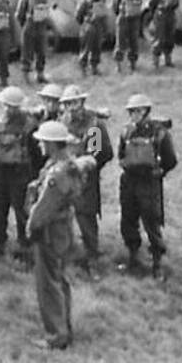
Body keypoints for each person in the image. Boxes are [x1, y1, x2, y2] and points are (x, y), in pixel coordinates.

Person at [26, 120, 92, 350]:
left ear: (52, 144)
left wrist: (30, 227)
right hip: (62, 229)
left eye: (43, 142)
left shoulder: (57, 173)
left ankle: (56, 335)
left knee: (48, 283)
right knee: (59, 278)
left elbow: (44, 208)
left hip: (49, 232)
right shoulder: (67, 165)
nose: (40, 146)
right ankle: (64, 329)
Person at [116, 93, 178, 277]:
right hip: (129, 182)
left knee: (152, 222)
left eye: (136, 111)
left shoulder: (160, 133)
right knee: (128, 220)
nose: (133, 114)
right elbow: (121, 154)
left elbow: (171, 159)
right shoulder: (126, 131)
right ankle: (133, 257)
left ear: (145, 111)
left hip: (149, 183)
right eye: (131, 111)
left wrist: (159, 173)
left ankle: (157, 262)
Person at [58, 84, 112, 279]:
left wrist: (87, 166)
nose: (71, 107)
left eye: (74, 102)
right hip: (65, 175)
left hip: (86, 178)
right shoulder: (62, 121)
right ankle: (65, 254)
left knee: (86, 216)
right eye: (67, 104)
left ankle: (92, 258)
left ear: (82, 102)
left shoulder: (94, 125)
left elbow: (100, 153)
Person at [0, 86, 40, 262]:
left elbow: (36, 151)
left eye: (11, 106)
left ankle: (24, 245)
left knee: (21, 210)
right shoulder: (0, 122)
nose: (7, 109)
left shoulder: (30, 124)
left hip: (20, 171)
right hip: (1, 170)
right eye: (6, 105)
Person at [16, 0, 51, 84]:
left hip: (41, 26)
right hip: (30, 26)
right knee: (27, 52)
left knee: (42, 51)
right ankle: (26, 75)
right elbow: (20, 14)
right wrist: (24, 24)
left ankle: (40, 74)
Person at [145, 0, 182, 69]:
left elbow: (176, 3)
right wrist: (154, 16)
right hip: (160, 15)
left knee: (169, 38)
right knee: (159, 39)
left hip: (170, 14)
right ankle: (155, 61)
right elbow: (152, 4)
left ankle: (168, 60)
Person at [111, 0, 146, 74]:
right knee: (120, 42)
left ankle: (133, 64)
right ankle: (118, 65)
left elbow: (139, 2)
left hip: (134, 19)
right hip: (123, 18)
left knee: (134, 42)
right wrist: (121, 13)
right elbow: (114, 5)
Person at [75, 0, 107, 76]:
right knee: (86, 48)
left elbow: (104, 13)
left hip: (98, 26)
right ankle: (83, 68)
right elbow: (78, 15)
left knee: (97, 48)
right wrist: (85, 23)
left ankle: (94, 67)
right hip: (88, 26)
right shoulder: (84, 1)